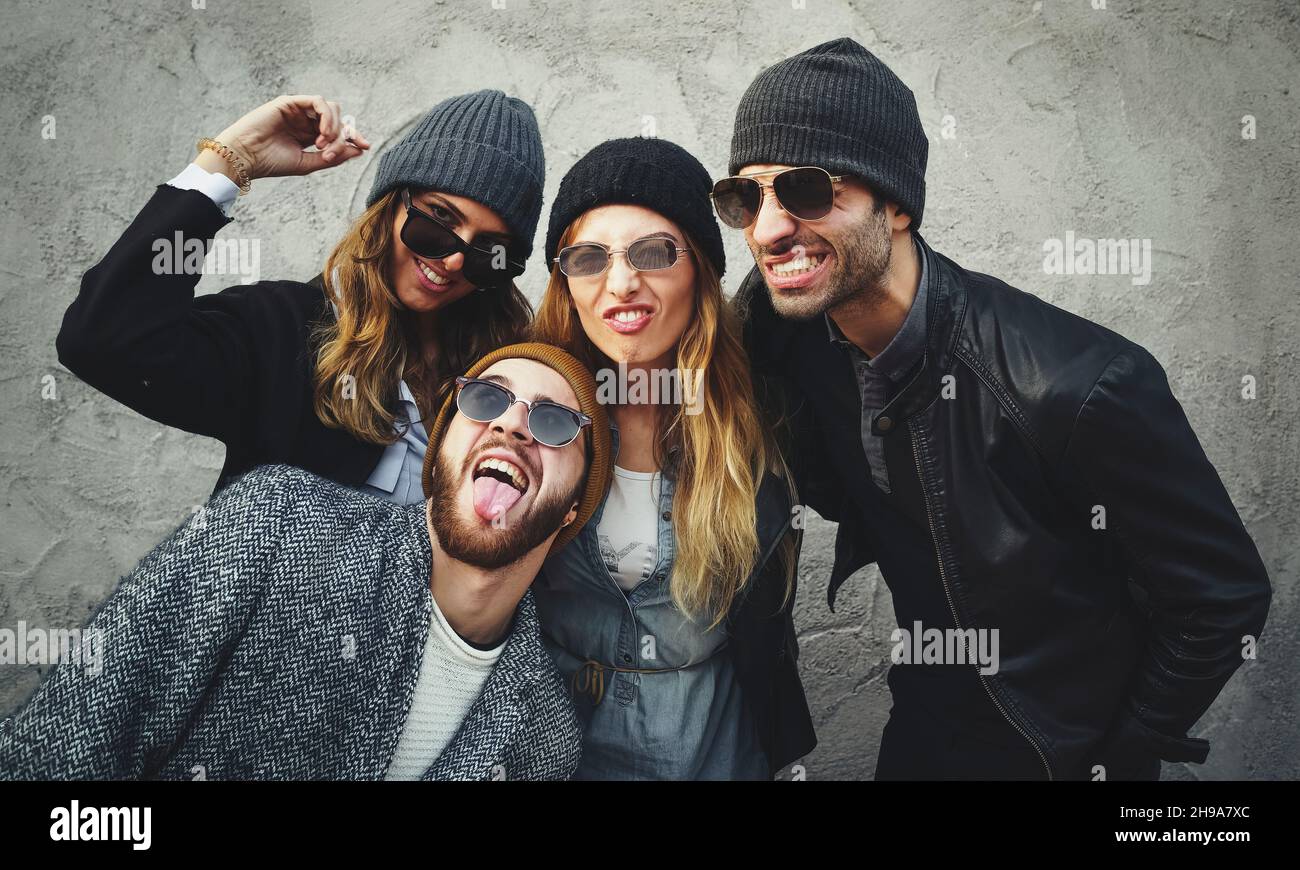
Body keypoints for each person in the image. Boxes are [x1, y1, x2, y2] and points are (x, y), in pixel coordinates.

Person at [724, 37, 1272, 780]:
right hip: (924, 725)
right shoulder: (783, 332)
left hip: (1058, 753)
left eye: (808, 191)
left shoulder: (1074, 384)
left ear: (895, 206)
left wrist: (1127, 746)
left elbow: (1223, 599)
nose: (767, 228)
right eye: (744, 197)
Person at [0, 343, 612, 781]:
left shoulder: (543, 739)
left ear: (571, 510)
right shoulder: (275, 525)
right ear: (442, 449)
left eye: (555, 422)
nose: (510, 425)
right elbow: (60, 749)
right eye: (485, 399)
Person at [56, 90, 541, 504]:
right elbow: (103, 340)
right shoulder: (281, 333)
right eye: (436, 221)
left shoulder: (511, 378)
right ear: (388, 209)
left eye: (487, 251)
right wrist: (230, 159)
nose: (454, 261)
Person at [530, 138, 815, 780]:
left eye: (655, 252)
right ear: (564, 281)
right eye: (588, 257)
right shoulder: (525, 412)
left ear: (700, 274)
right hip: (555, 749)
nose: (622, 281)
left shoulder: (762, 419)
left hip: (714, 749)